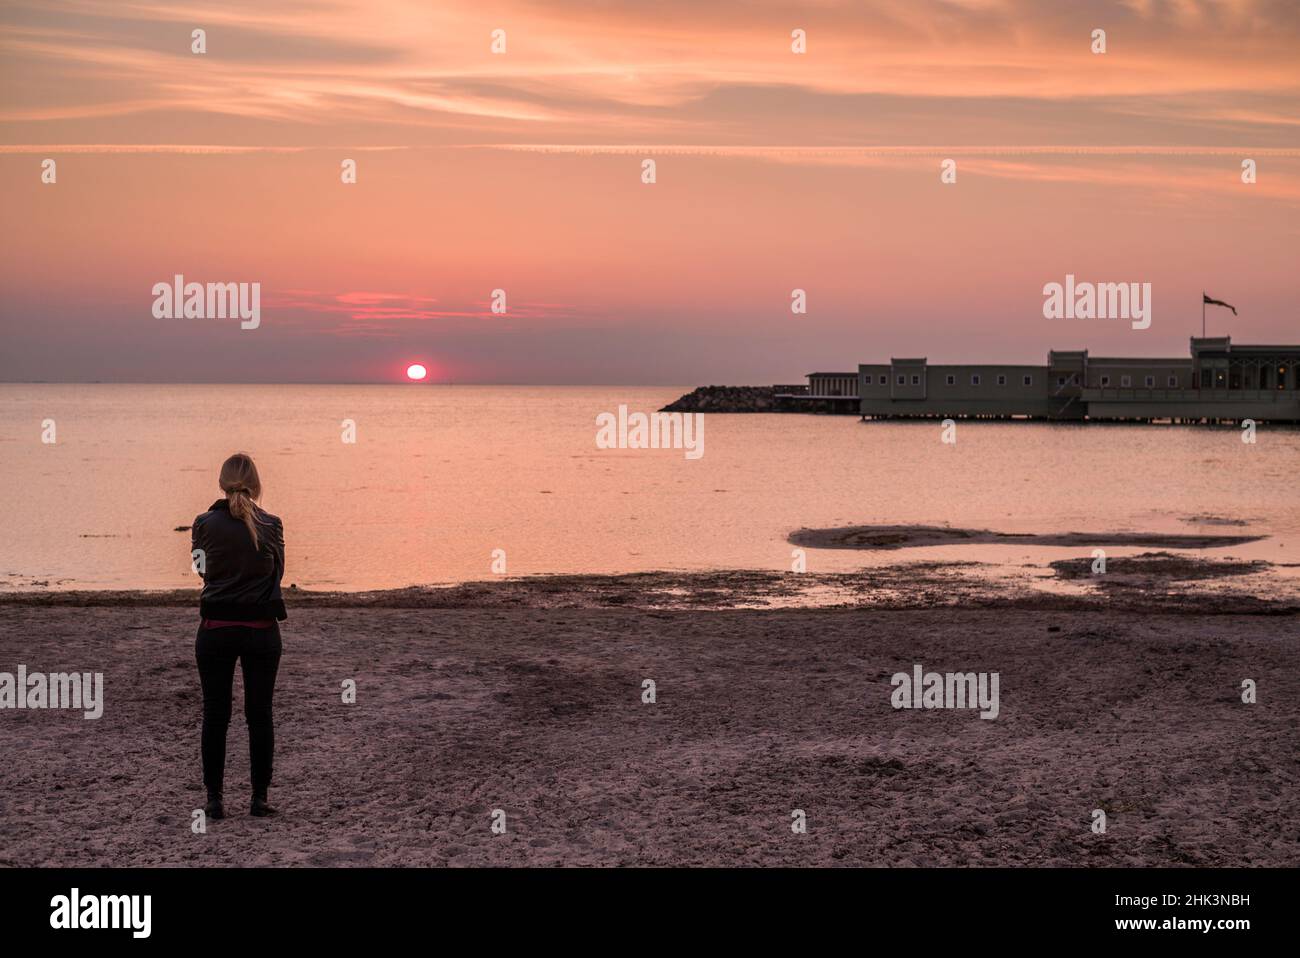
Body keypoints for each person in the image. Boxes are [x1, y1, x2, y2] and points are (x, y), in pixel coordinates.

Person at [191, 453, 286, 819]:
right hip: (261, 631)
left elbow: (202, 572)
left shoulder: (202, 523)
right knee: (259, 714)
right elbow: (276, 574)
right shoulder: (272, 524)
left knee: (216, 714)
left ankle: (214, 800)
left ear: (221, 482)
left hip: (215, 628)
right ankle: (258, 799)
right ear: (256, 483)